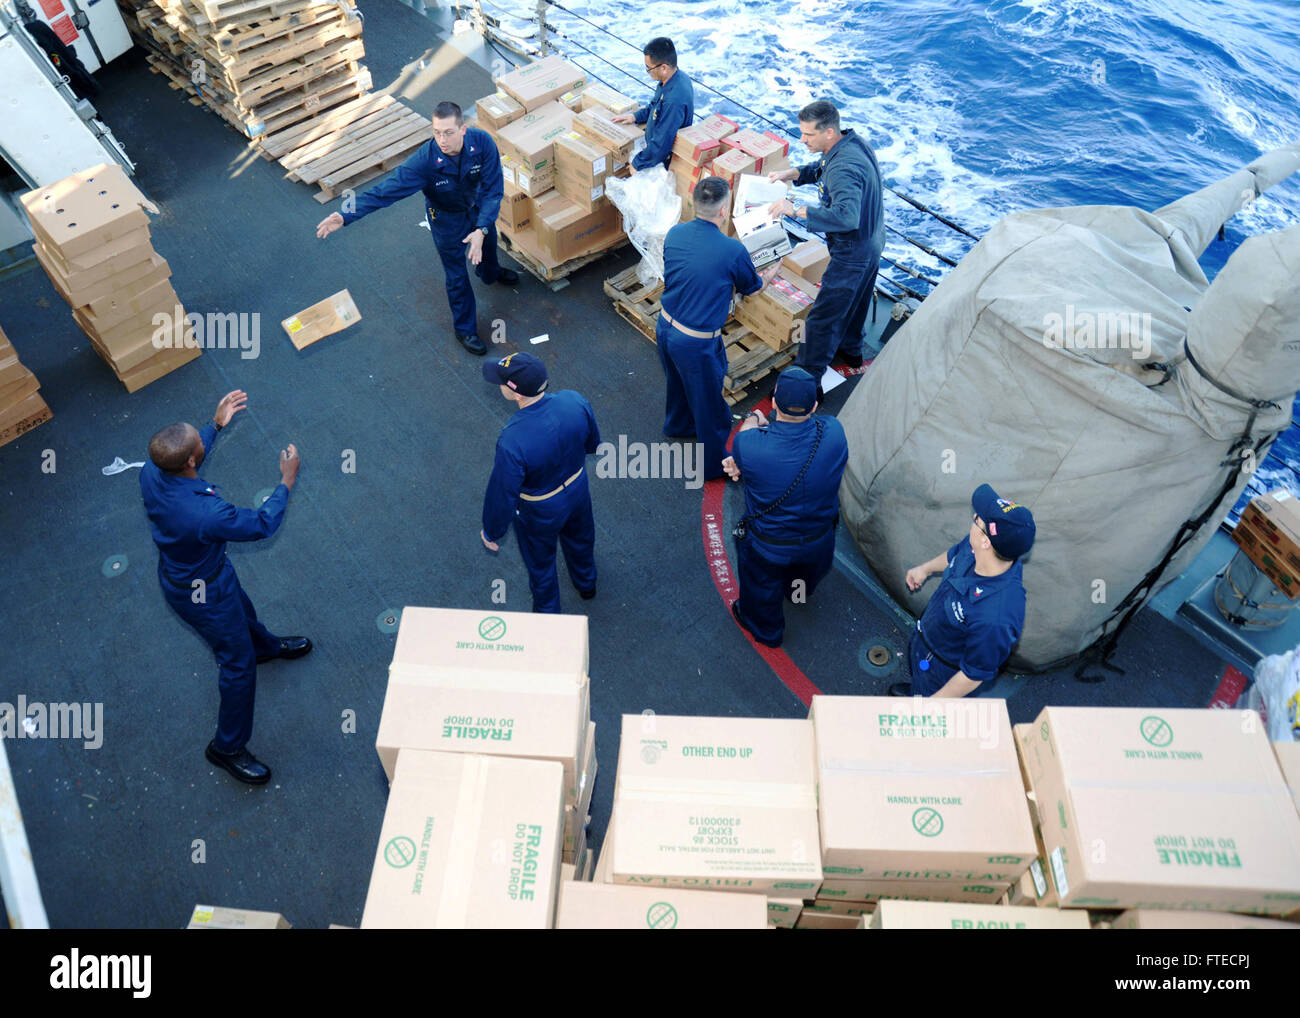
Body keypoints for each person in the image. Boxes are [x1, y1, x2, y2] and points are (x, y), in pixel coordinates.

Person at [139, 390, 309, 785]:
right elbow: (261, 524)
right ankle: (227, 747)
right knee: (235, 665)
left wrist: (215, 425)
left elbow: (184, 452)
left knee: (242, 614)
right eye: (200, 442)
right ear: (192, 460)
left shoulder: (150, 470)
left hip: (197, 576)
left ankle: (264, 648)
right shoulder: (206, 512)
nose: (201, 439)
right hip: (206, 594)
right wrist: (286, 481)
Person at [315, 101, 518, 356]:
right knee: (456, 275)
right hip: (446, 220)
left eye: (448, 132)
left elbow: (493, 191)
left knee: (487, 246)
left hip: (477, 208)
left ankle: (490, 274)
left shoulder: (483, 143)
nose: (441, 140)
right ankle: (464, 329)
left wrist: (481, 230)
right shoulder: (424, 162)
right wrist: (346, 215)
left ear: (463, 130)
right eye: (436, 132)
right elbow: (384, 192)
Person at [658, 176, 779, 479]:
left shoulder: (675, 233)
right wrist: (774, 267)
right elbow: (753, 288)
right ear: (724, 211)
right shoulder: (732, 251)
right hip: (696, 342)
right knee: (710, 405)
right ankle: (714, 466)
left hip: (665, 326)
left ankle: (677, 425)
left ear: (694, 203)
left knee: (676, 382)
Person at [723, 367, 848, 648]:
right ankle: (798, 592)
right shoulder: (835, 433)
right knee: (804, 576)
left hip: (770, 545)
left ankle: (767, 631)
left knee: (761, 589)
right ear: (814, 405)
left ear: (774, 402)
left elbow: (746, 445)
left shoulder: (749, 444)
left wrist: (754, 417)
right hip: (819, 538)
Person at [767, 99, 884, 384]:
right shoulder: (849, 144)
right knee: (856, 303)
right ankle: (851, 351)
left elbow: (846, 217)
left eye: (808, 135)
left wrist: (795, 210)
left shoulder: (843, 167)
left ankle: (804, 379)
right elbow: (822, 166)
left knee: (822, 318)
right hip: (872, 241)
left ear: (829, 132)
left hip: (852, 249)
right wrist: (792, 174)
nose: (802, 139)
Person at [480, 353, 601, 613]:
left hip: (540, 508)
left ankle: (548, 615)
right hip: (578, 487)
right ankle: (586, 583)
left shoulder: (512, 439)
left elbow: (503, 493)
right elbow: (592, 443)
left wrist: (492, 530)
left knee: (540, 563)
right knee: (581, 538)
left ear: (517, 394)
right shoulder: (574, 400)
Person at [890, 484, 1036, 698]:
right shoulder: (978, 546)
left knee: (925, 710)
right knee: (918, 682)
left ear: (986, 541)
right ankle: (916, 692)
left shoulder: (996, 617)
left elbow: (972, 675)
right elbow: (955, 555)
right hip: (927, 637)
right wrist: (925, 569)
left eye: (978, 519)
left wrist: (932, 707)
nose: (975, 516)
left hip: (942, 671)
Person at [611, 36, 694, 173]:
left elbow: (663, 141)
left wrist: (638, 163)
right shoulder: (671, 79)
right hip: (656, 149)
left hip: (664, 162)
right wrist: (635, 116)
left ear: (664, 68)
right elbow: (655, 106)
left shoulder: (674, 100)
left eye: (648, 68)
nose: (648, 72)